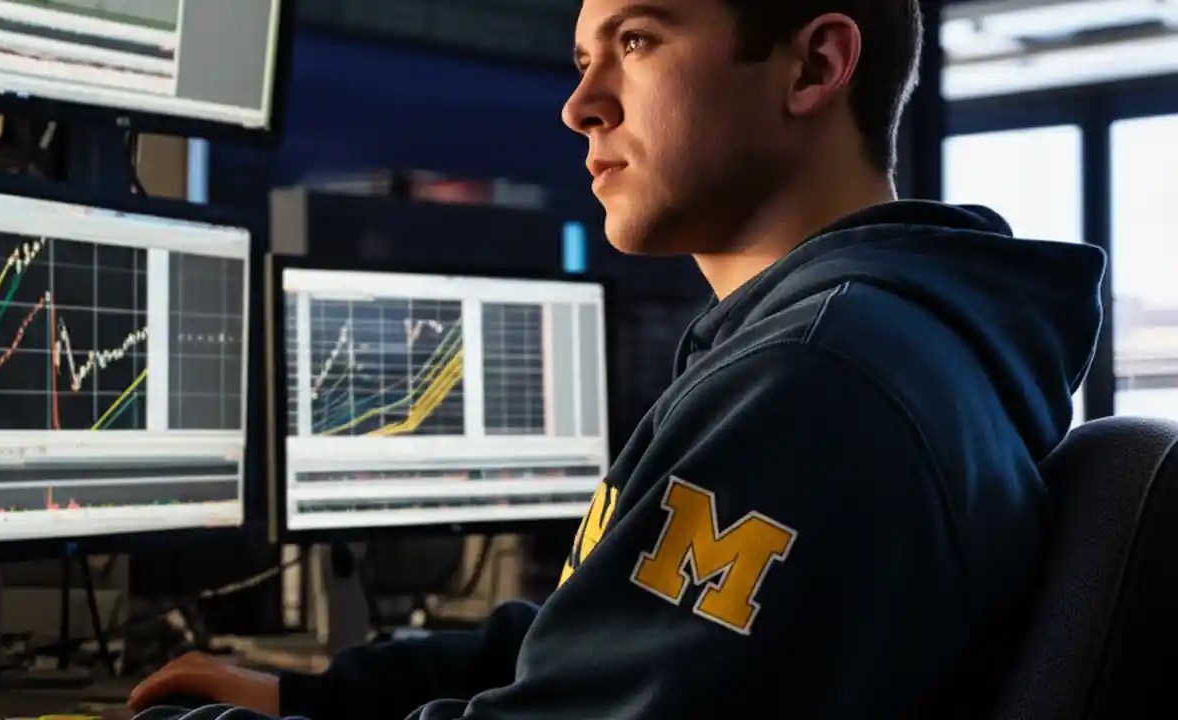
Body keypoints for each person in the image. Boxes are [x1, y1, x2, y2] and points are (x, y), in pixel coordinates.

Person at [129, 0, 1105, 717]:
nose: (579, 106)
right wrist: (311, 693)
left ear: (809, 69)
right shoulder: (842, 342)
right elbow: (599, 636)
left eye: (636, 41)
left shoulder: (818, 381)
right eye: (581, 57)